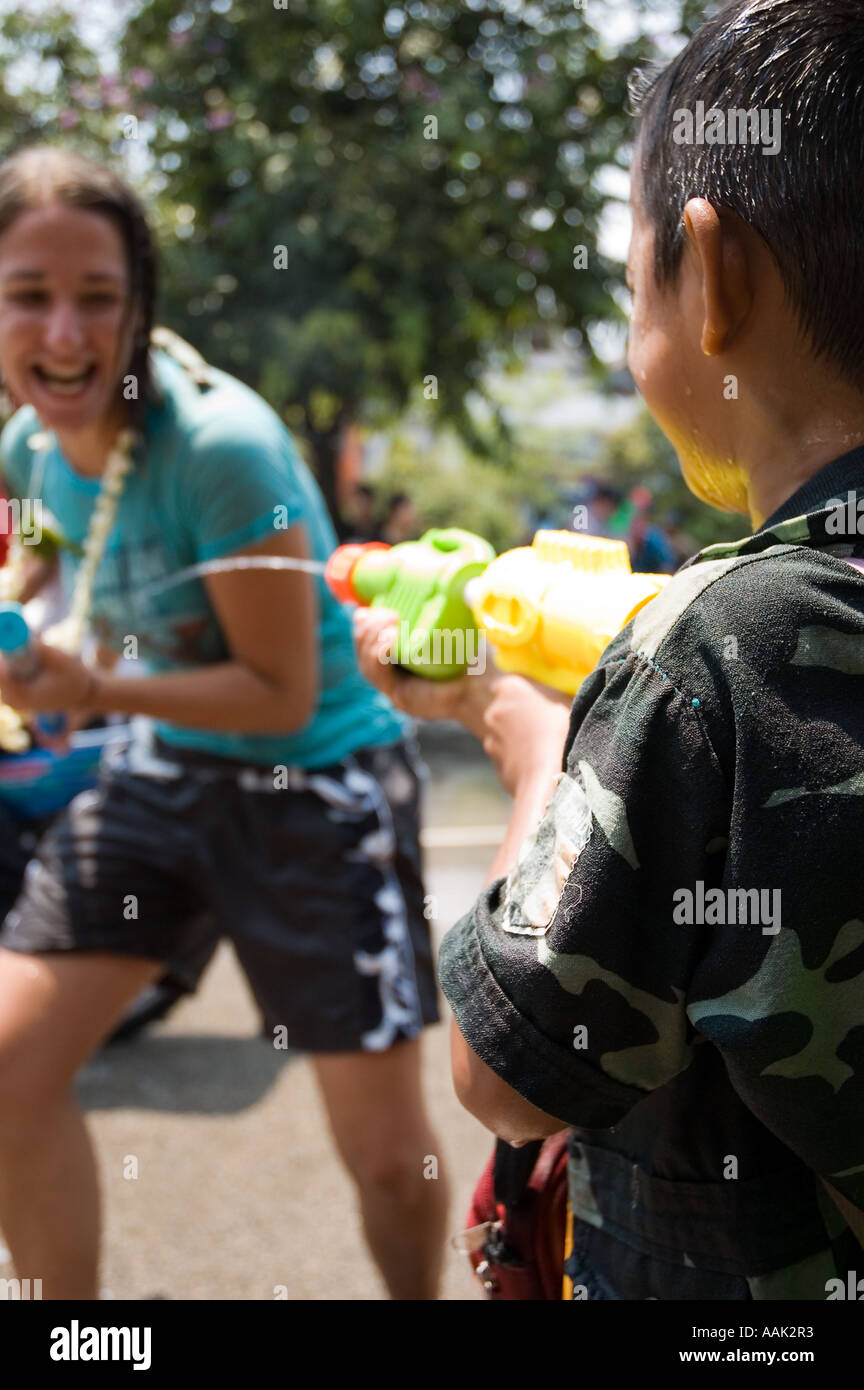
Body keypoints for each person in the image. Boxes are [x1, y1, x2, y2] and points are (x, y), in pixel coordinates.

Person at [356, 0, 864, 1299]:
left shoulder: (711, 649)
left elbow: (509, 1080)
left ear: (713, 274)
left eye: (628, 277)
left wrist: (526, 739)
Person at [0, 145, 446, 1301]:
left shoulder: (224, 449)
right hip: (163, 768)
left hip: (315, 778)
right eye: (27, 295)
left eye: (96, 298)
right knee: (7, 1073)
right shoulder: (26, 447)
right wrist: (18, 628)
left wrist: (86, 689)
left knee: (392, 1165)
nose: (61, 334)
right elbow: (41, 571)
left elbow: (279, 691)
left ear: (140, 304)